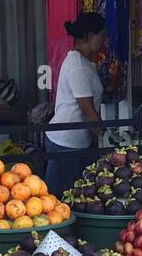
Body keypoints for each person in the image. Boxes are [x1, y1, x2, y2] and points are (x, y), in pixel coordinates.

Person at [45, 11, 106, 199]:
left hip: (77, 141)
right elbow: (87, 110)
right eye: (101, 35)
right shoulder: (77, 66)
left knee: (77, 194)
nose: (104, 40)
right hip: (66, 142)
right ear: (89, 36)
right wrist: (105, 138)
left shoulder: (85, 63)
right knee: (63, 197)